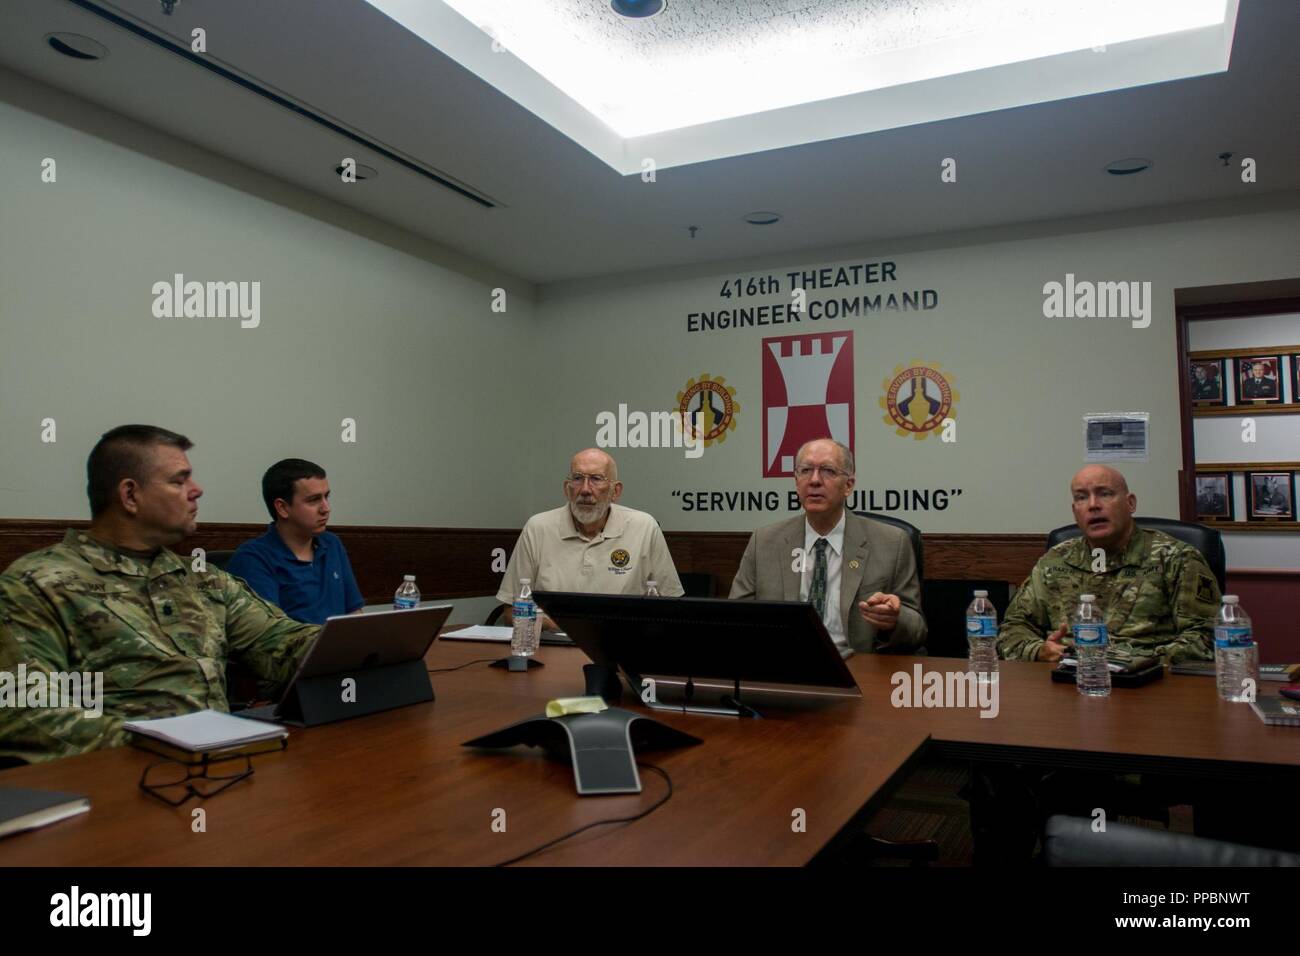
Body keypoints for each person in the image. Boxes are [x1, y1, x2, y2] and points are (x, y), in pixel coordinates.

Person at [0, 426, 319, 764]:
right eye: (179, 481)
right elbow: (27, 715)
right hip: (118, 779)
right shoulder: (37, 583)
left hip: (222, 769)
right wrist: (166, 744)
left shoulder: (202, 578)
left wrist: (357, 645)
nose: (197, 491)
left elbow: (281, 640)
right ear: (130, 496)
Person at [998, 464, 1217, 665]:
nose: (1093, 505)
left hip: (1150, 683)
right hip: (1068, 681)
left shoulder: (1176, 558)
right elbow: (1013, 628)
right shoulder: (1055, 561)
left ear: (1130, 503)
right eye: (1082, 498)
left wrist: (1134, 662)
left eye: (1105, 494)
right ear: (1075, 511)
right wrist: (1038, 651)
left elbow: (1207, 636)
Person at [729, 438, 926, 656]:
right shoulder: (764, 541)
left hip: (858, 668)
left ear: (849, 485)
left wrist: (893, 621)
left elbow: (917, 629)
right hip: (784, 666)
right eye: (805, 470)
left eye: (828, 471)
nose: (814, 480)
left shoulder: (892, 543)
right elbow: (735, 617)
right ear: (796, 481)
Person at [496, 448, 684, 628]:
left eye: (596, 479)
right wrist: (565, 628)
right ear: (567, 488)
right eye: (577, 478)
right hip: (552, 645)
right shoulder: (537, 528)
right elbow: (511, 609)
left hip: (622, 647)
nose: (585, 489)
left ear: (615, 491)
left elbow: (673, 607)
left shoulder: (644, 527)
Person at [226, 459, 365, 624]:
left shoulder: (332, 543)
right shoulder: (253, 558)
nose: (326, 508)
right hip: (296, 649)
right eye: (314, 500)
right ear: (282, 508)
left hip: (340, 647)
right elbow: (267, 634)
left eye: (326, 497)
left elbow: (354, 612)